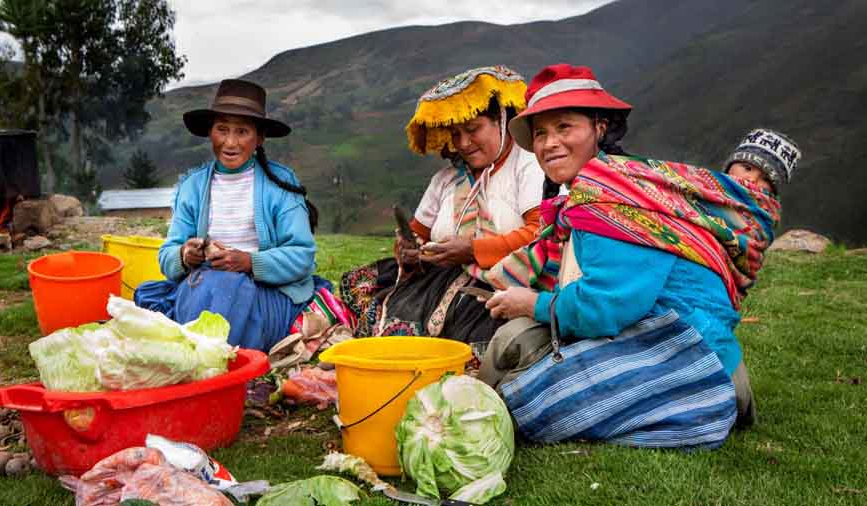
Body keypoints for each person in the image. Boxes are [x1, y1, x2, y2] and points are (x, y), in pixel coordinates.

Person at [477, 64, 782, 449]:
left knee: (529, 405)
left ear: (600, 128)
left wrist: (532, 303)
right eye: (540, 133)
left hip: (685, 345)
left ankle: (701, 398)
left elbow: (606, 308)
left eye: (564, 127)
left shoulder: (611, 197)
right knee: (514, 341)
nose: (549, 143)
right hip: (646, 330)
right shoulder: (600, 189)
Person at [134, 79, 351, 352]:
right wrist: (185, 256)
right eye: (222, 129)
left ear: (259, 138)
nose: (230, 142)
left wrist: (250, 262)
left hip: (265, 293)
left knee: (223, 289)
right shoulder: (193, 187)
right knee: (149, 292)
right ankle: (208, 346)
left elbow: (302, 257)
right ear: (210, 132)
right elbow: (167, 257)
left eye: (242, 131)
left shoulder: (281, 184)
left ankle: (202, 351)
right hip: (202, 285)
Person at [340, 65, 546, 342]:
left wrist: (473, 250)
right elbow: (416, 234)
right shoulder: (446, 179)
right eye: (455, 133)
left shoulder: (527, 164)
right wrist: (409, 251)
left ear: (502, 120)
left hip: (499, 284)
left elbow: (539, 234)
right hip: (435, 280)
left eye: (473, 129)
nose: (463, 143)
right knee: (362, 285)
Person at [724, 127, 801, 195]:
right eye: (748, 168)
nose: (752, 179)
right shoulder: (712, 193)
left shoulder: (764, 211)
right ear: (729, 166)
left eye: (766, 179)